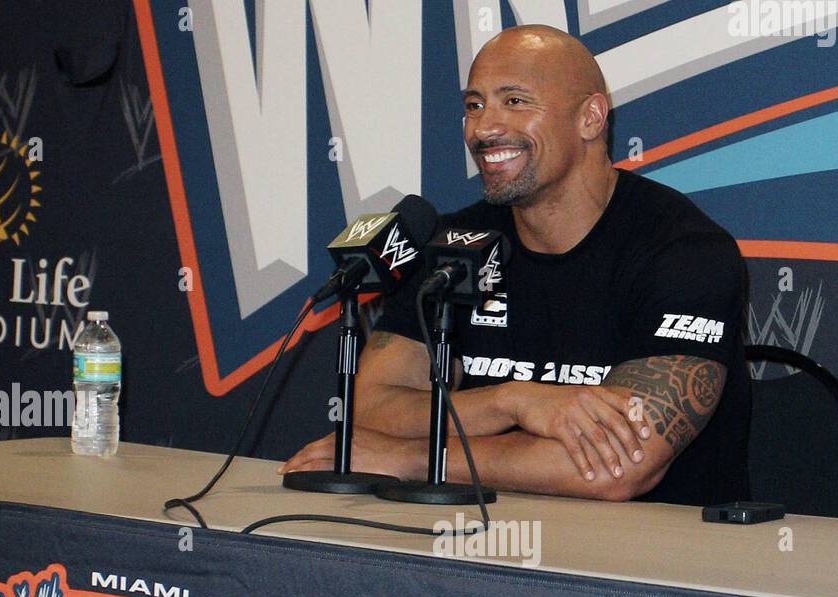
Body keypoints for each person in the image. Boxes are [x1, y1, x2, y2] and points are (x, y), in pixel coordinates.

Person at [281, 24, 751, 505]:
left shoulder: (684, 253)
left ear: (590, 118)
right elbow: (371, 405)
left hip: (650, 563)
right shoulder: (452, 243)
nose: (483, 128)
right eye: (474, 105)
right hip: (474, 539)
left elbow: (616, 468)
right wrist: (515, 401)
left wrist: (413, 460)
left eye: (516, 101)